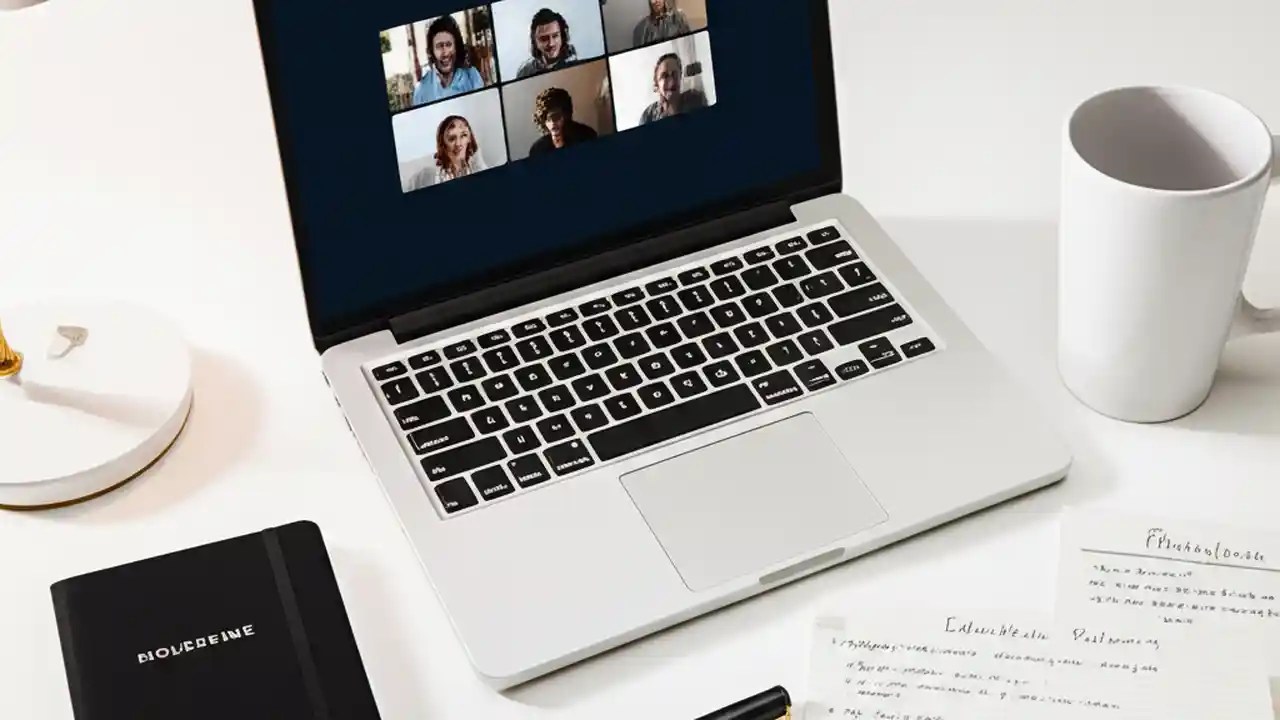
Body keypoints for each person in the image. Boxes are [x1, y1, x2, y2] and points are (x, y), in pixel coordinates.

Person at [412, 15, 485, 106]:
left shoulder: (472, 78)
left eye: (449, 45)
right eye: (439, 46)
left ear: (456, 48)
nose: (445, 53)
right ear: (431, 51)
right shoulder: (421, 91)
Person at [405, 115, 489, 191]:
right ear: (443, 143)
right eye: (452, 138)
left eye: (463, 135)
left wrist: (477, 154)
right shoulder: (429, 174)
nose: (458, 144)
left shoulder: (476, 166)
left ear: (469, 138)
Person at [639, 52, 707, 124]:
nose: (671, 81)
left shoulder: (696, 100)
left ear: (680, 77)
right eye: (664, 76)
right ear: (657, 85)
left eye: (674, 74)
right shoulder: (648, 116)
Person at [528, 87, 597, 156]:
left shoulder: (586, 136)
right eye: (547, 119)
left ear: (566, 114)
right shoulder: (538, 149)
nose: (552, 124)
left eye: (556, 117)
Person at [515, 8, 578, 79]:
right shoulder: (525, 72)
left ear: (563, 36)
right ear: (534, 41)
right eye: (544, 39)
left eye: (555, 36)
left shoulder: (576, 65)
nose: (551, 44)